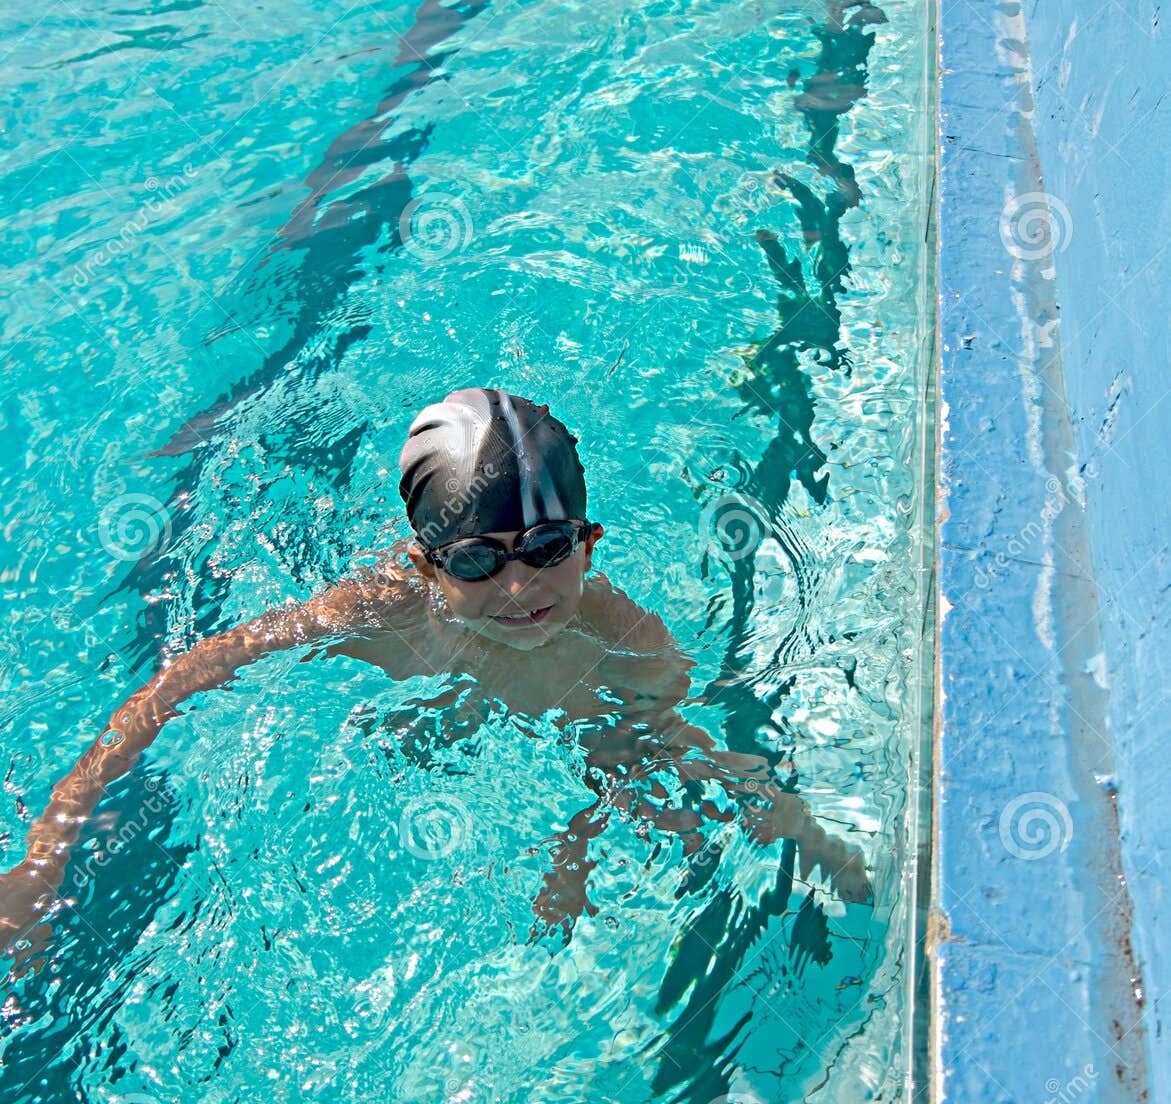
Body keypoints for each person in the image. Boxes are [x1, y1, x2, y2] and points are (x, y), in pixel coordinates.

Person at [0, 387, 868, 966]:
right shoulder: (373, 616)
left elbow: (648, 738)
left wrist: (581, 837)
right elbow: (179, 681)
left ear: (588, 542)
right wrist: (47, 856)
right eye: (476, 561)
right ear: (423, 566)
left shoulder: (626, 640)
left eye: (548, 547)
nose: (522, 586)